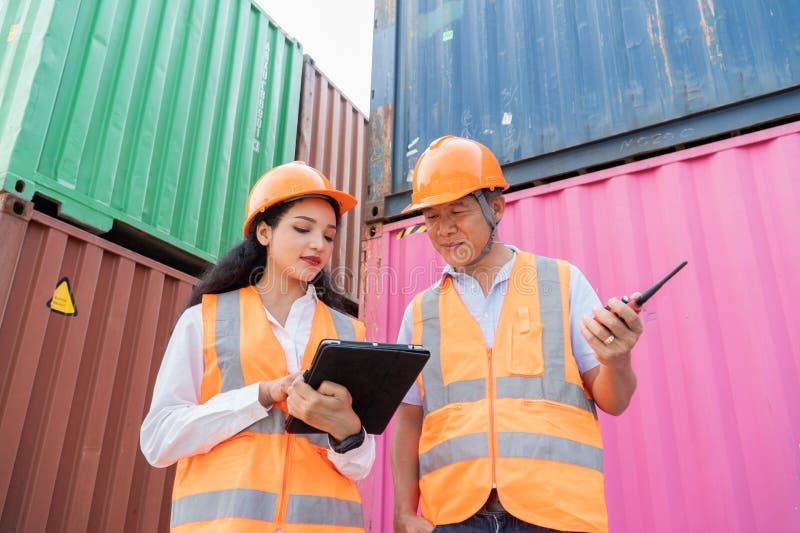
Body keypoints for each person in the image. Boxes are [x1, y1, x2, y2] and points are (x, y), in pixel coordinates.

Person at [391, 137, 644, 533]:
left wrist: (618, 360)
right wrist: (404, 513)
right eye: (432, 218)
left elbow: (615, 400)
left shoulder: (560, 283)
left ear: (496, 208)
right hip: (455, 519)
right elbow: (409, 421)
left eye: (457, 211)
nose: (444, 230)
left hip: (556, 516)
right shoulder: (420, 313)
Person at [141, 162, 375, 532]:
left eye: (329, 236)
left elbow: (360, 465)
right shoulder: (205, 319)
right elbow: (158, 440)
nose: (318, 244)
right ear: (264, 232)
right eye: (302, 229)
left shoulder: (350, 332)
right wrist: (261, 395)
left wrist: (347, 432)